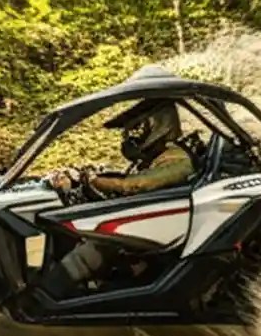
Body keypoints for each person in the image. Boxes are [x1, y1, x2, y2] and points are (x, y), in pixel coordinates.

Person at [41, 101, 198, 298]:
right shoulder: (152, 160)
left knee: (98, 243)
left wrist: (92, 180)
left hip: (157, 232)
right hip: (146, 225)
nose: (130, 137)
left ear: (159, 125)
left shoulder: (178, 160)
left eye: (137, 129)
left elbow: (133, 186)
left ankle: (46, 296)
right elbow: (126, 180)